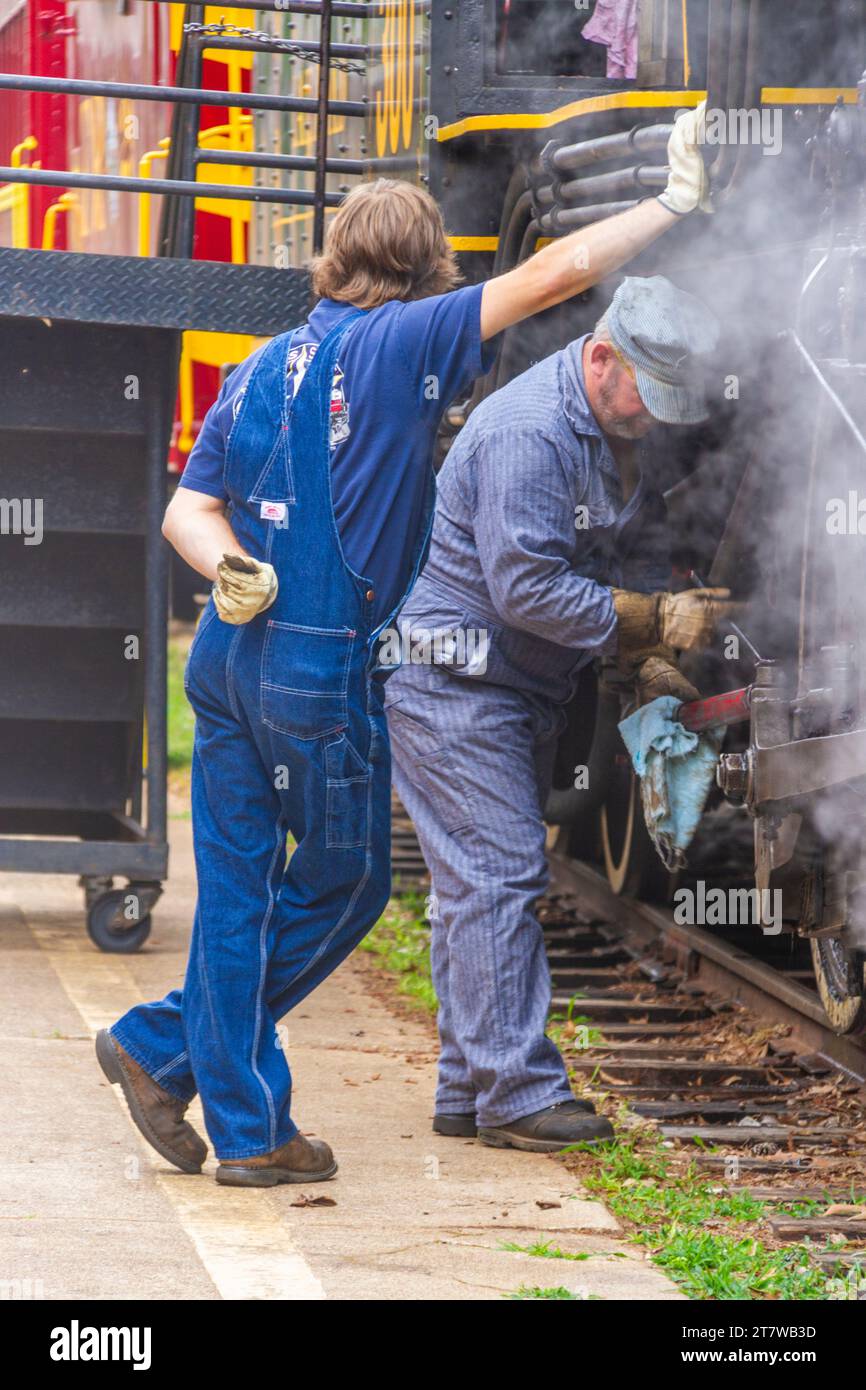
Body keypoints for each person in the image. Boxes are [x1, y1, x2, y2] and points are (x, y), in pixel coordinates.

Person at [96, 105, 714, 1186]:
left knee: (238, 895)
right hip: (315, 673)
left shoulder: (263, 361)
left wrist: (226, 568)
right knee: (343, 890)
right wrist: (666, 204)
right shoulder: (399, 342)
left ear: (332, 260)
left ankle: (248, 1132)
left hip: (230, 661)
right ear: (428, 275)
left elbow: (185, 513)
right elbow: (555, 271)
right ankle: (160, 1042)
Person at [385, 274, 729, 1153]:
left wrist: (637, 659)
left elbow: (585, 556)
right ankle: (519, 1094)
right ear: (603, 356)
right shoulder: (531, 432)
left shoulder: (604, 423)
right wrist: (648, 622)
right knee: (499, 874)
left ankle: (468, 1085)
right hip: (455, 678)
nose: (653, 418)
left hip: (505, 683)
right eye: (648, 397)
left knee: (473, 885)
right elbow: (528, 585)